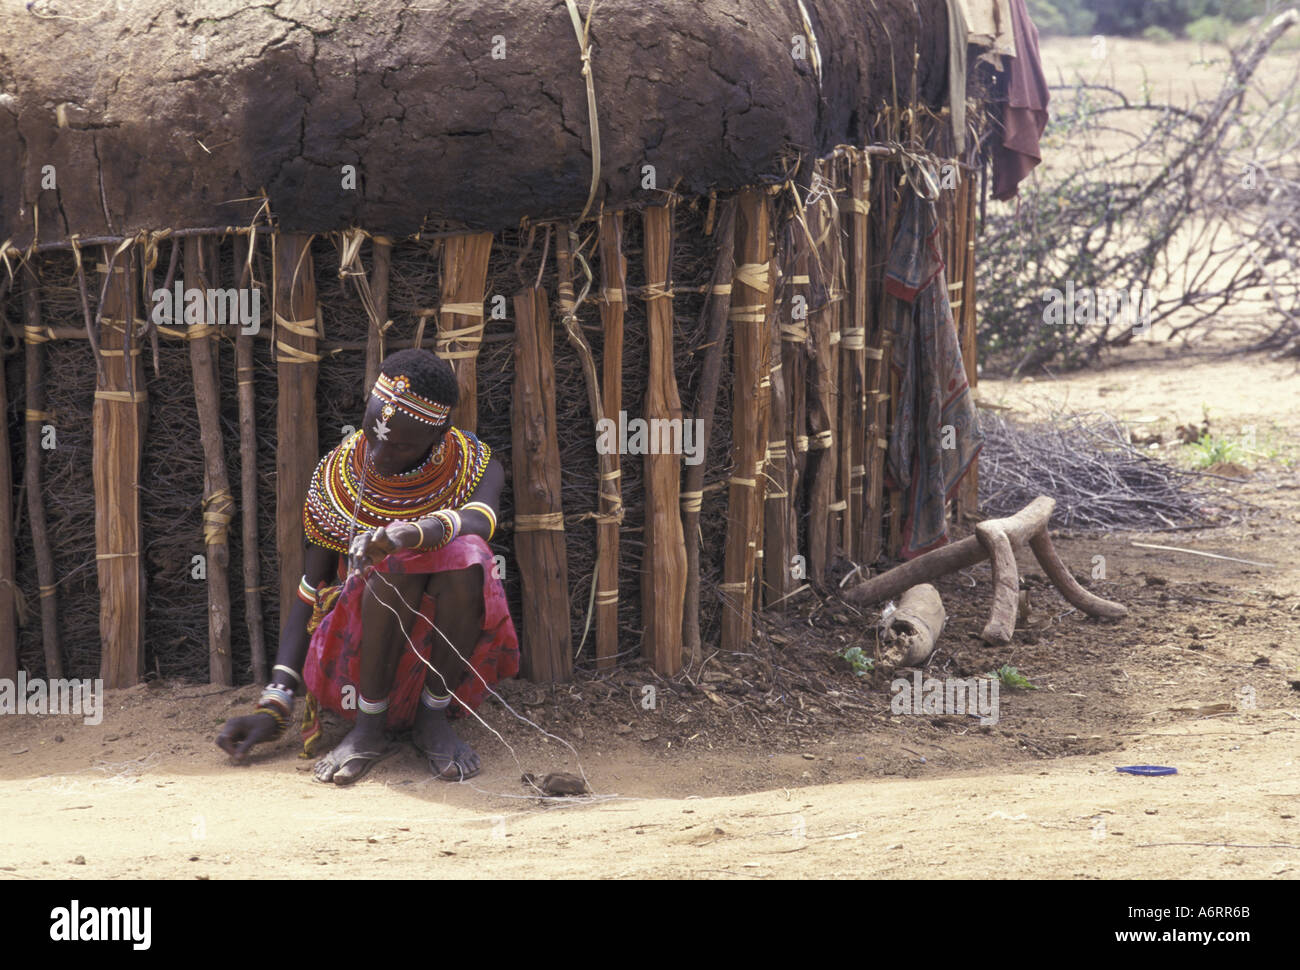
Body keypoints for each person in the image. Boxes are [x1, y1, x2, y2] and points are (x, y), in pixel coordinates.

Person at [216, 348, 518, 784]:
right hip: (354, 672)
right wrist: (275, 705)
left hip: (443, 669)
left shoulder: (473, 466)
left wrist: (410, 532)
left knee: (466, 553)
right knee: (392, 567)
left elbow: (481, 520)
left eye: (400, 445)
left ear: (438, 436)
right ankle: (368, 729)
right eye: (371, 433)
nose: (377, 453)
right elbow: (310, 590)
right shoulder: (336, 478)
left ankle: (433, 720)